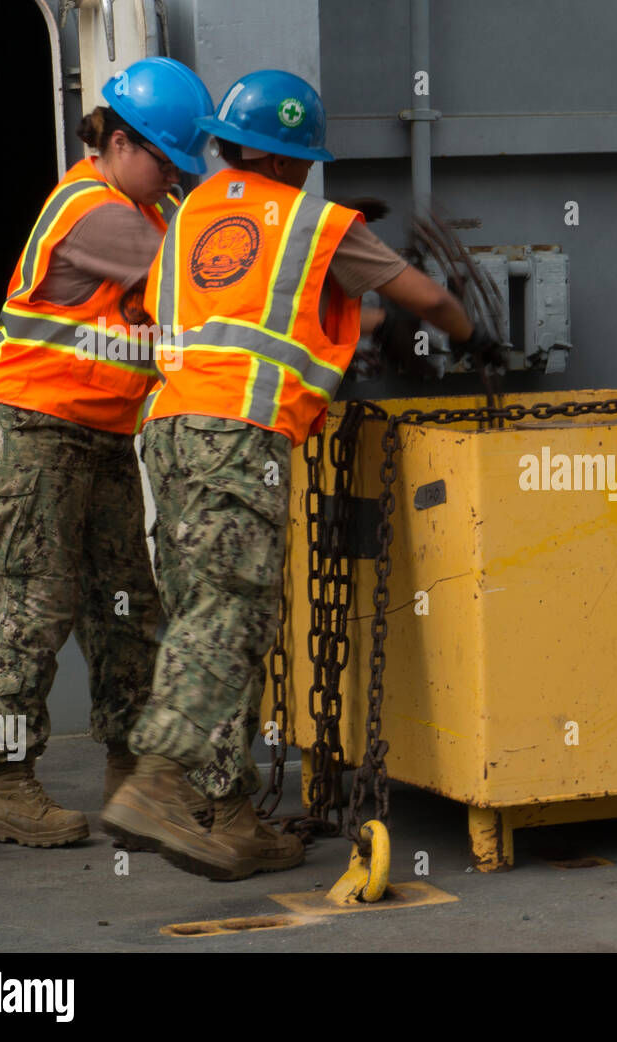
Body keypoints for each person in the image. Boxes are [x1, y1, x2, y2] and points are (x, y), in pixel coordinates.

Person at [103, 69, 502, 880]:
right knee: (224, 620)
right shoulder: (316, 222)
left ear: (228, 144)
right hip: (237, 438)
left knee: (210, 621)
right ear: (292, 160)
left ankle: (229, 814)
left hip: (168, 435)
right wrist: (471, 337)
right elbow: (424, 296)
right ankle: (159, 784)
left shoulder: (182, 220)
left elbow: (189, 311)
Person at [0, 57, 214, 847]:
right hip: (26, 430)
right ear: (121, 142)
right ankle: (11, 788)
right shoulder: (95, 210)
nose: (172, 177)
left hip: (100, 434)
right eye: (165, 160)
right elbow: (200, 287)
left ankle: (129, 775)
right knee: (33, 606)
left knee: (128, 608)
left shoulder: (154, 205)